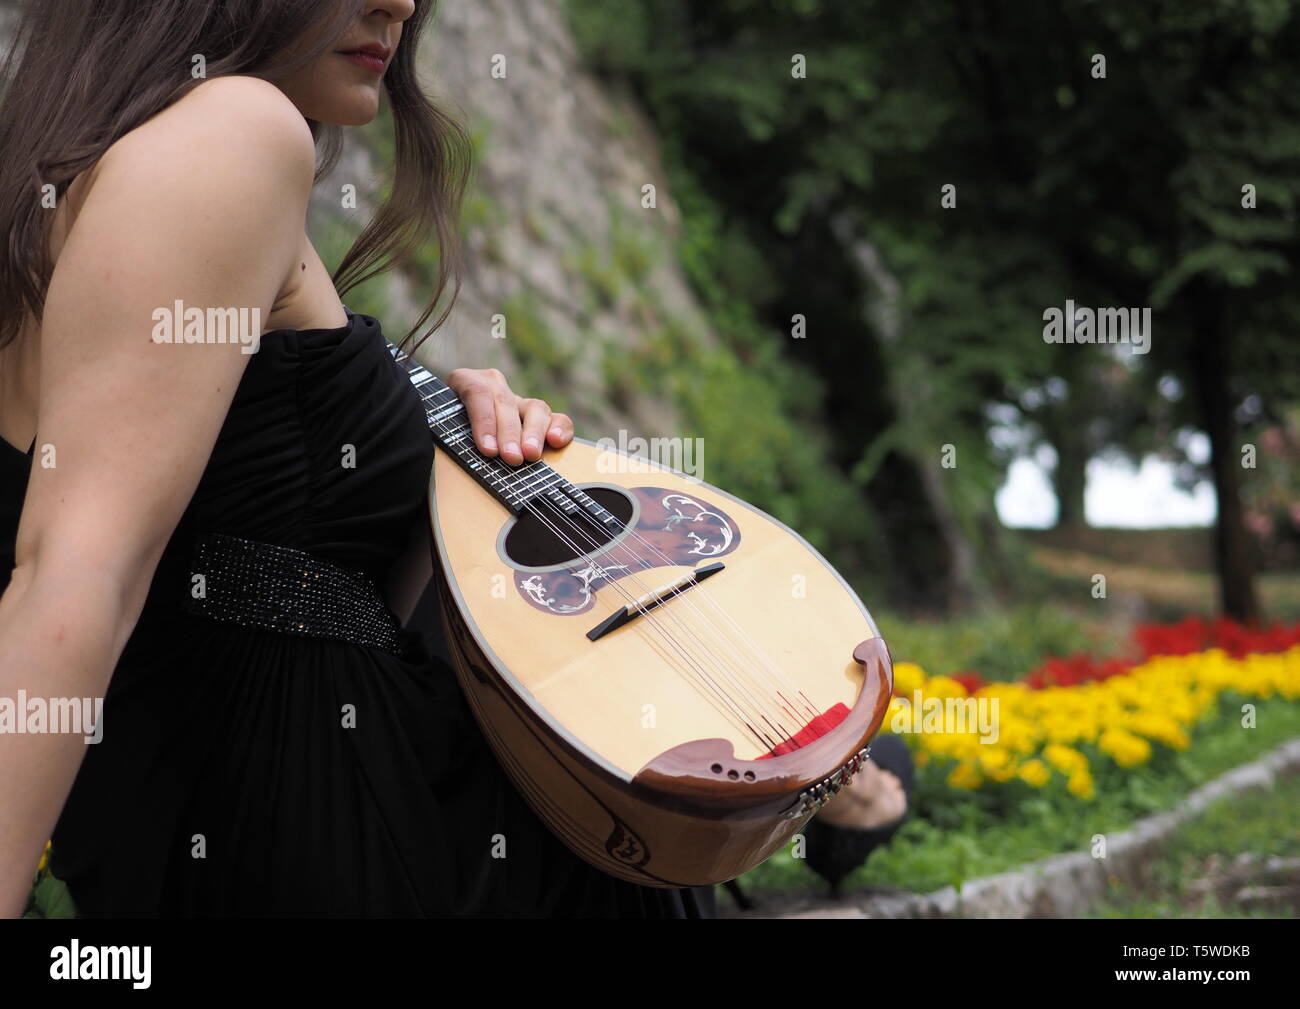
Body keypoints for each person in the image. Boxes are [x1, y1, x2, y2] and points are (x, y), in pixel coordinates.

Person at [0, 0, 710, 918]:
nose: (401, 5)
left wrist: (420, 432)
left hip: (195, 828)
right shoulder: (233, 128)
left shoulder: (47, 192)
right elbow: (73, 574)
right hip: (360, 827)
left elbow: (232, 551)